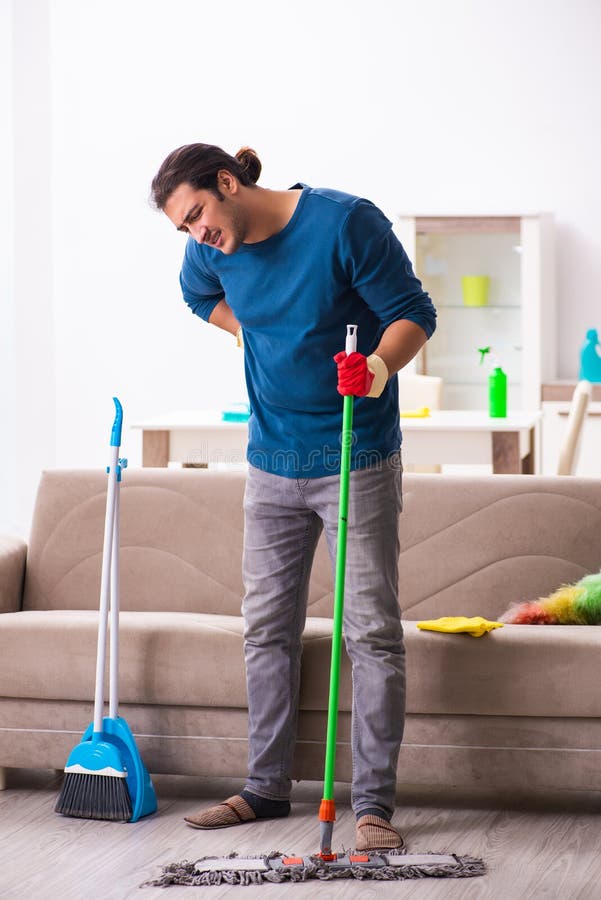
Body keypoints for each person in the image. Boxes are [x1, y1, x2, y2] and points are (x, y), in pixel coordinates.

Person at [150, 144, 437, 851]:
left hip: (354, 454)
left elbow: (413, 312)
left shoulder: (344, 224)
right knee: (266, 630)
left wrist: (376, 364)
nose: (196, 236)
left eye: (197, 216)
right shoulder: (210, 253)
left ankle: (372, 807)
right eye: (182, 229)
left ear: (228, 183)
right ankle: (265, 789)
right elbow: (196, 296)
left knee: (368, 633)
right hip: (269, 459)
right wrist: (248, 332)